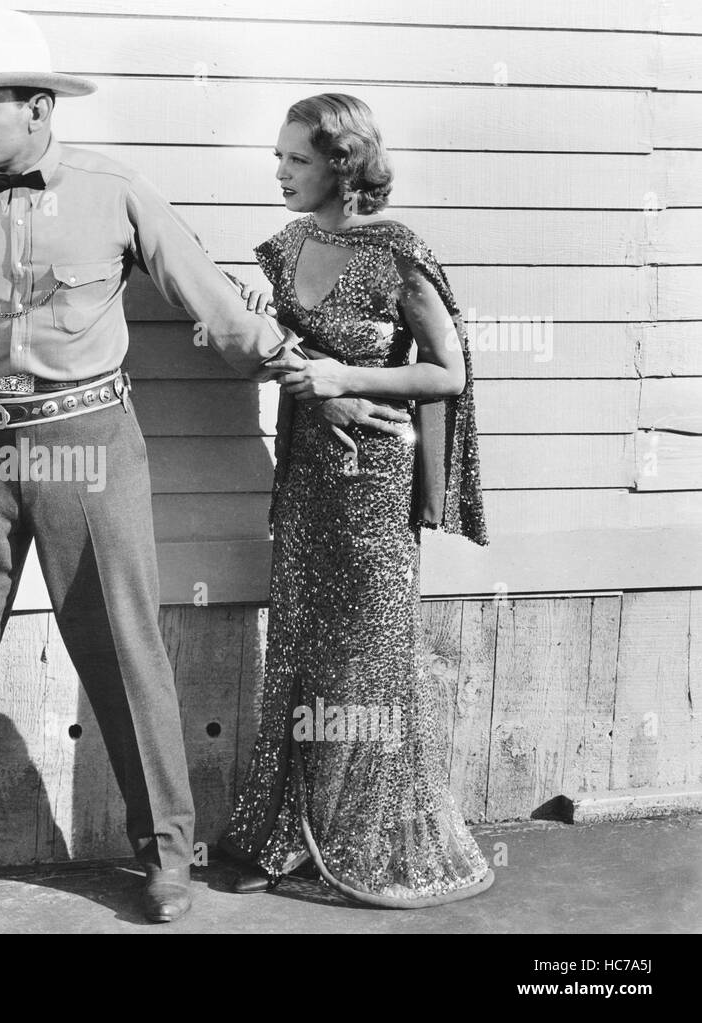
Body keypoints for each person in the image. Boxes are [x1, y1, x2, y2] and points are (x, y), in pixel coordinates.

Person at [0, 8, 293, 932]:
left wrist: (309, 369)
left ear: (37, 107)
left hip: (85, 443)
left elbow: (212, 301)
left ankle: (167, 858)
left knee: (124, 652)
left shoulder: (113, 189)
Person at [218, 93, 495, 907]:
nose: (279, 173)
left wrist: (347, 379)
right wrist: (314, 385)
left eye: (295, 159)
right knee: (302, 642)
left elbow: (447, 371)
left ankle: (364, 842)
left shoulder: (398, 252)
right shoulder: (290, 244)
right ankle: (290, 836)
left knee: (366, 658)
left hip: (376, 482)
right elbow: (287, 345)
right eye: (277, 158)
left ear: (342, 164)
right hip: (305, 473)